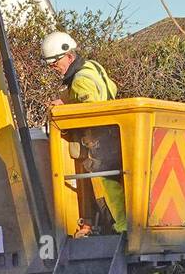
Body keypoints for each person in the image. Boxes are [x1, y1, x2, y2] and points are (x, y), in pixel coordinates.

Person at [41, 31, 126, 235]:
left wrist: (65, 109)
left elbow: (91, 110)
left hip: (99, 144)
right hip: (113, 137)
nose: (54, 68)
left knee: (106, 188)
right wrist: (69, 101)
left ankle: (122, 230)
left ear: (69, 56)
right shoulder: (93, 67)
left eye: (55, 63)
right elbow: (110, 89)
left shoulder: (79, 80)